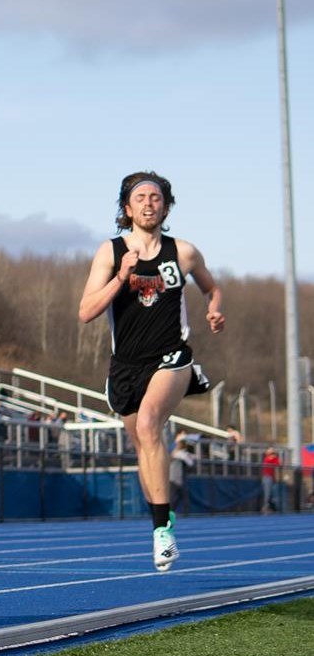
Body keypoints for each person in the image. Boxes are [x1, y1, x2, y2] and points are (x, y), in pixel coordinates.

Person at [79, 171, 224, 572]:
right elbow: (86, 312)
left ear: (166, 206)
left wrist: (213, 307)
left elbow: (212, 287)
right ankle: (163, 518)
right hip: (126, 365)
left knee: (148, 425)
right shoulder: (109, 252)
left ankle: (162, 532)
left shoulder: (184, 252)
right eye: (140, 197)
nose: (148, 203)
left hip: (171, 357)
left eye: (156, 197)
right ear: (127, 208)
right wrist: (122, 277)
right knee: (144, 448)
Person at [167, 433, 195, 515]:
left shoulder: (182, 453)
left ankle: (184, 512)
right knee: (173, 497)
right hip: (173, 478)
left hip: (179, 479)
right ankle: (169, 512)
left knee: (182, 497)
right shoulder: (178, 453)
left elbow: (190, 463)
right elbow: (189, 461)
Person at [262, 448, 283, 515]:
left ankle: (274, 508)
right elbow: (267, 462)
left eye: (273, 453)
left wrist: (275, 457)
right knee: (267, 494)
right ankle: (266, 508)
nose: (272, 455)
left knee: (274, 495)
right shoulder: (266, 459)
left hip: (273, 479)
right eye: (270, 453)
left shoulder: (275, 459)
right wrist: (272, 457)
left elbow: (279, 464)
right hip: (267, 478)